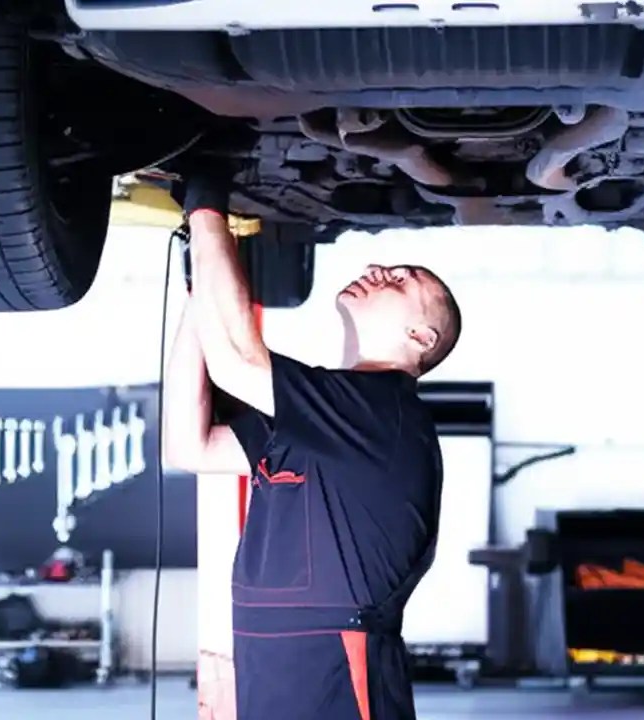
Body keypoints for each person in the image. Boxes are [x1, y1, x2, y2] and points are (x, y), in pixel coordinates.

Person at [162, 175, 462, 720]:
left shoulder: (380, 412)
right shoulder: (327, 416)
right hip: (283, 658)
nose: (377, 270)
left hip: (333, 667)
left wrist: (207, 206)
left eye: (401, 280)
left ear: (421, 338)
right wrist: (197, 290)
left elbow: (236, 359)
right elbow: (191, 446)